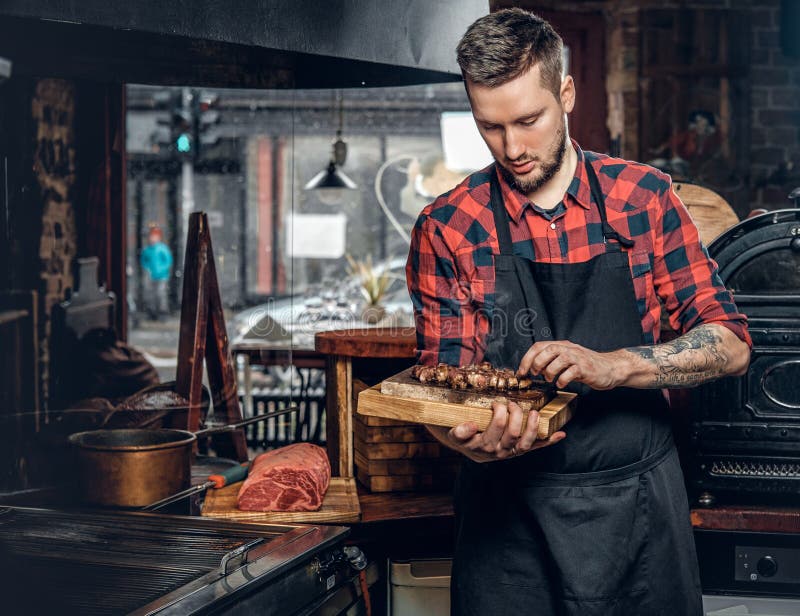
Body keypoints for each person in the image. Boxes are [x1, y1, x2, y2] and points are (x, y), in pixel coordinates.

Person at [405, 9, 751, 616]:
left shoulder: (644, 200)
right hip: (507, 524)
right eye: (490, 127)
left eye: (528, 121)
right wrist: (463, 440)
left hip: (638, 512)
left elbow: (729, 342)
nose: (512, 148)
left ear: (566, 93)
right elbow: (441, 383)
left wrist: (614, 365)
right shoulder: (448, 226)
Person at [140, 225, 173, 320]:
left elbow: (168, 261)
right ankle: (152, 311)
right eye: (151, 236)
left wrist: (162, 270)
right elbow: (144, 261)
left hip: (162, 276)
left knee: (160, 293)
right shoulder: (147, 250)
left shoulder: (162, 248)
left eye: (154, 236)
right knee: (151, 294)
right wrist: (147, 269)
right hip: (151, 276)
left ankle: (163, 311)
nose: (152, 238)